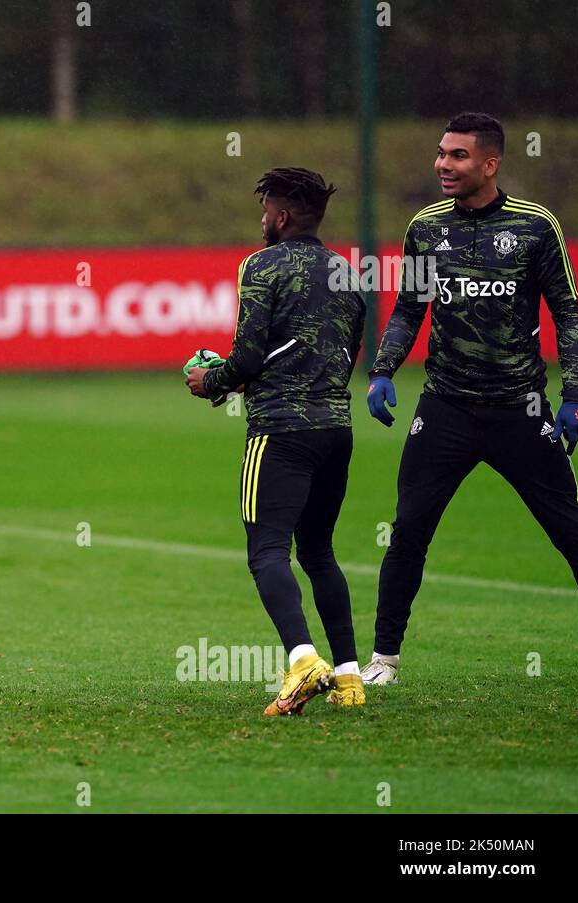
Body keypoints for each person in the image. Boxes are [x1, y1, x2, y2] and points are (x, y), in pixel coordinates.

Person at [363, 112, 578, 684]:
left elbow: (568, 313)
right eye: (441, 153)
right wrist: (382, 370)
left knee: (571, 531)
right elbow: (410, 308)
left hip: (521, 408)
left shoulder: (537, 227)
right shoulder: (425, 228)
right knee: (408, 529)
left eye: (458, 156)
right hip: (445, 408)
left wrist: (575, 396)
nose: (443, 164)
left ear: (491, 163)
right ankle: (383, 659)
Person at [187, 167, 366, 714]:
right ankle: (352, 679)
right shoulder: (347, 272)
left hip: (280, 431)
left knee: (267, 552)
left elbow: (245, 356)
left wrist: (210, 381)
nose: (262, 219)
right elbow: (340, 353)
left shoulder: (261, 266)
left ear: (282, 216)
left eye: (266, 209)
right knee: (319, 552)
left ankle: (304, 660)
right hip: (337, 428)